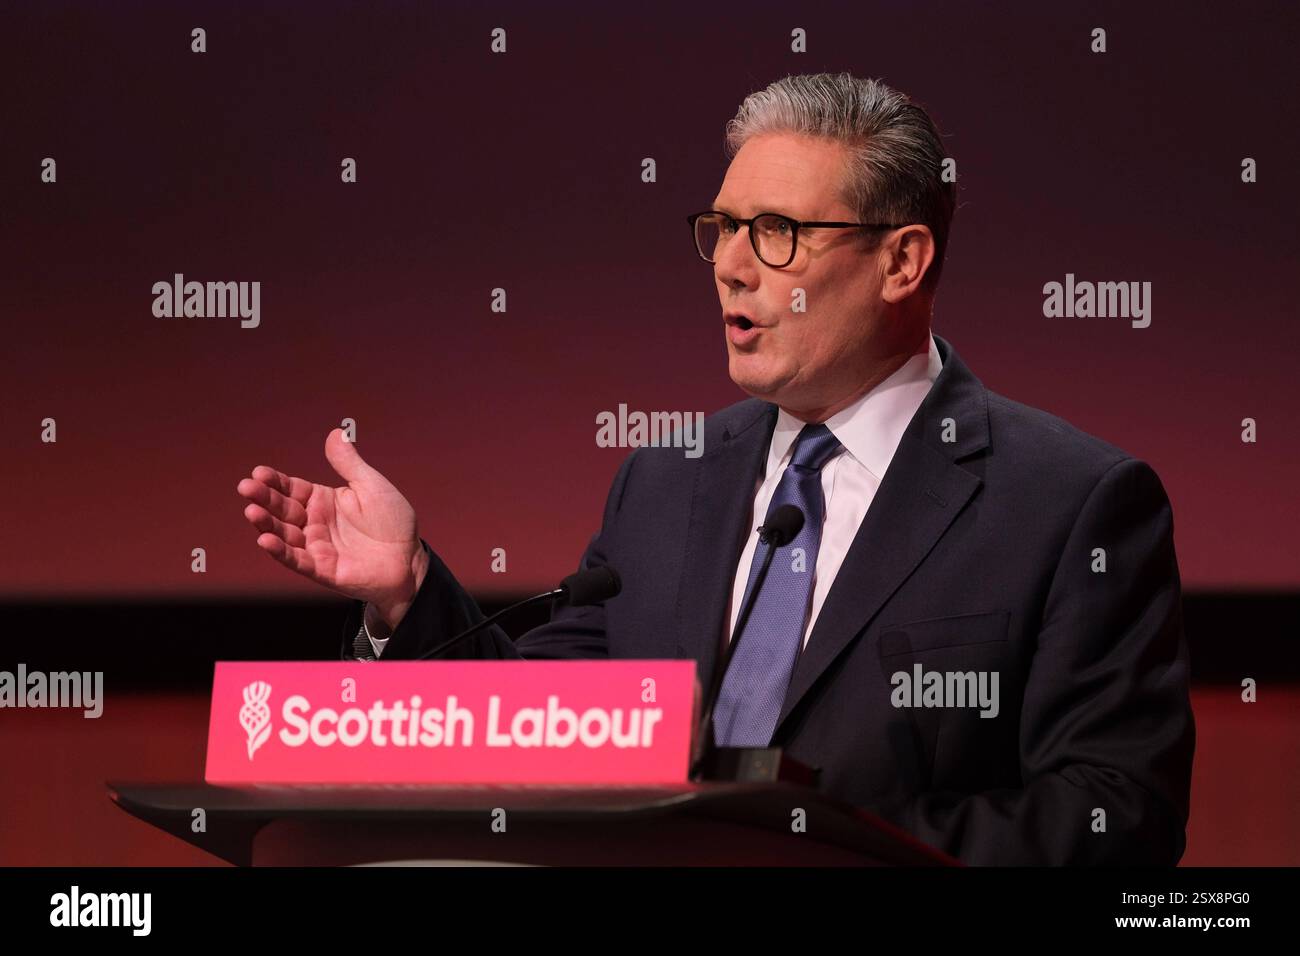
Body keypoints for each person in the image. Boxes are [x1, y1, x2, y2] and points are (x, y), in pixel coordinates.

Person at [237, 72, 1194, 865]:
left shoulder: (1070, 506)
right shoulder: (667, 481)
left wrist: (813, 849)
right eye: (722, 228)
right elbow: (546, 732)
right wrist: (408, 594)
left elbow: (1116, 817)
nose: (730, 266)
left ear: (901, 262)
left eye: (775, 232)